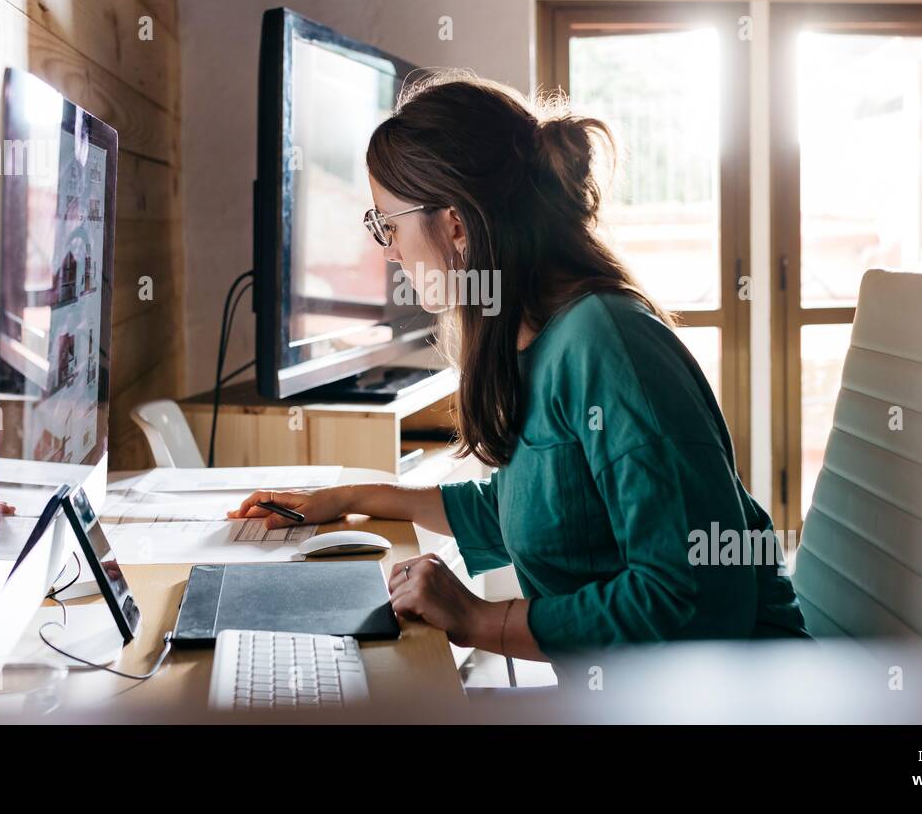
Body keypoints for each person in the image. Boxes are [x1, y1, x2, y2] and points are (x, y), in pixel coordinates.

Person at [231, 72, 808, 678]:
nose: (390, 251)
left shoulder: (606, 345)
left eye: (387, 226)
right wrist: (345, 498)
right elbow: (524, 509)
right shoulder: (539, 339)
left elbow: (693, 600)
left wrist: (481, 620)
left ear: (455, 224)